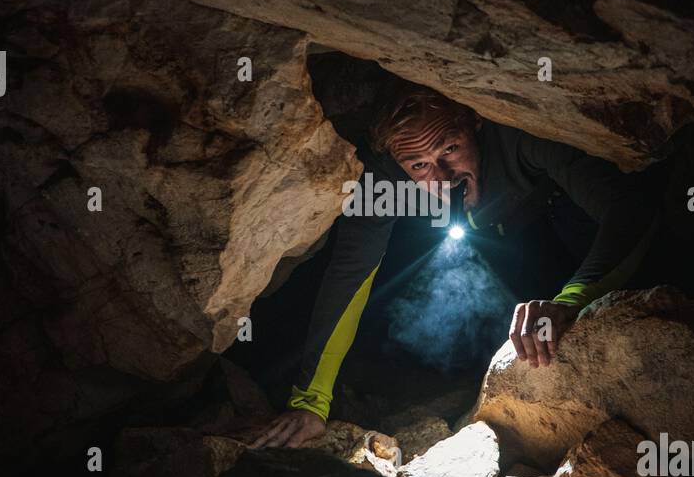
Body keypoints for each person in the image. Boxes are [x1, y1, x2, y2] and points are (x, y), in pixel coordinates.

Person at [248, 82, 659, 449]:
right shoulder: (383, 179)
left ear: (475, 121)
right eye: (419, 166)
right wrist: (310, 403)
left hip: (558, 206)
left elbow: (630, 211)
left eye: (449, 148)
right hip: (500, 238)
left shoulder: (517, 133)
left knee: (627, 276)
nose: (442, 176)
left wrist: (571, 299)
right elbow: (350, 274)